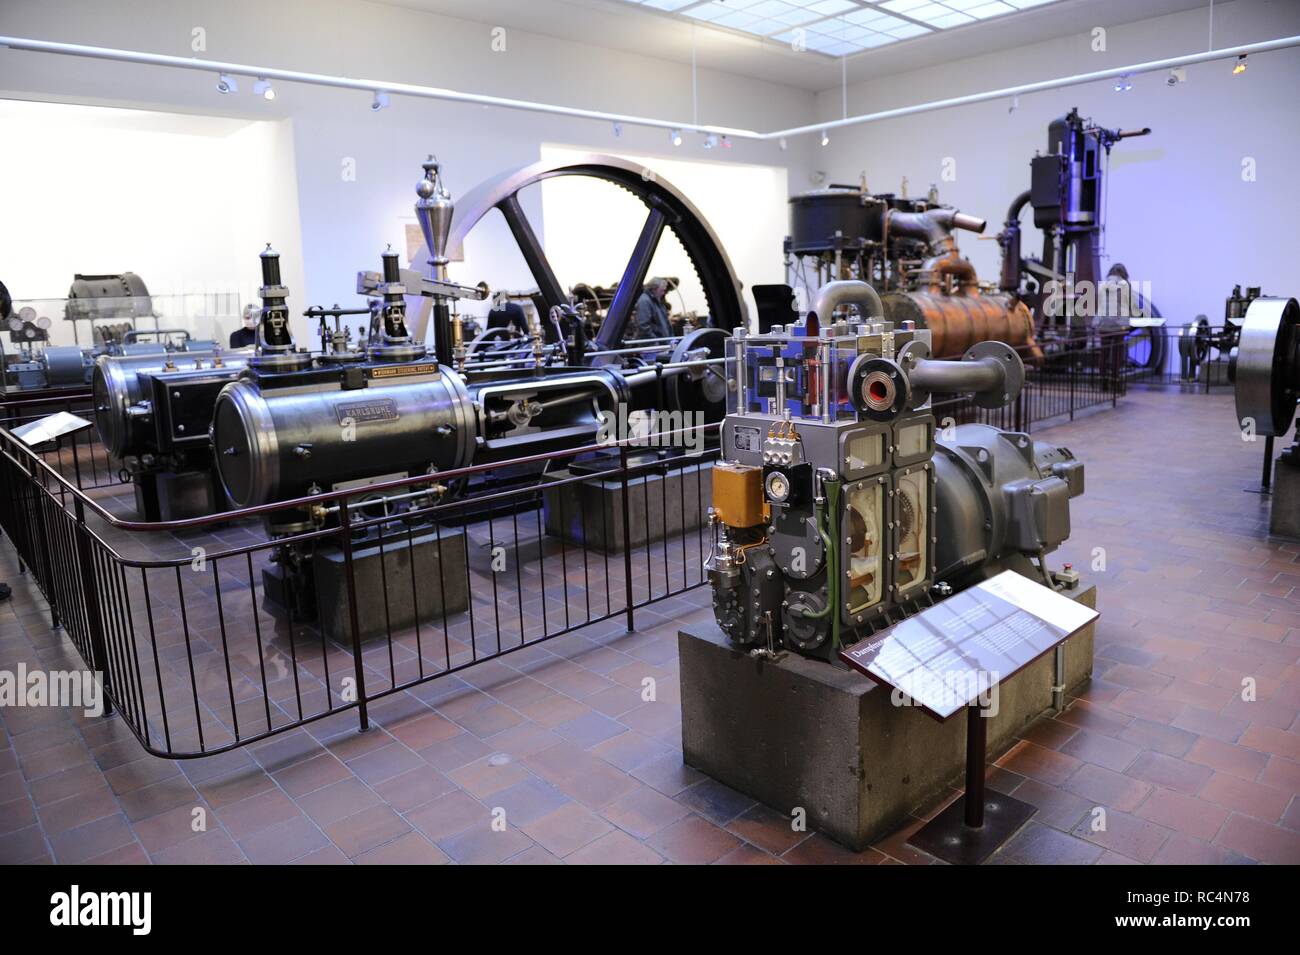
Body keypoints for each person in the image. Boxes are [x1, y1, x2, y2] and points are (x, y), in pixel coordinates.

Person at [631, 277, 671, 341]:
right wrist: (655, 343)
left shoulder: (656, 300)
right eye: (662, 290)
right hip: (653, 346)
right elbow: (643, 326)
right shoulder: (645, 301)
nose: (663, 293)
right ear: (654, 289)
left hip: (660, 343)